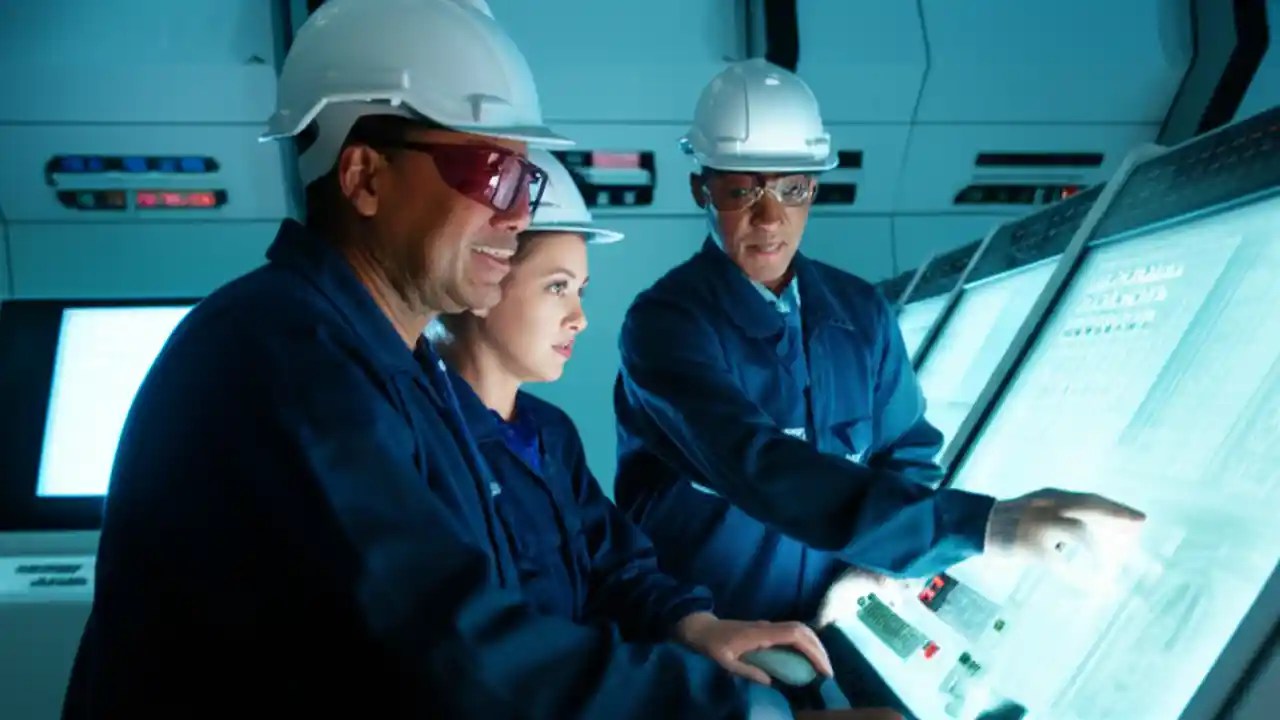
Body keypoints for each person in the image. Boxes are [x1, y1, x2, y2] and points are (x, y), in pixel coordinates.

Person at [58, 6, 836, 719]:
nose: (521, 211)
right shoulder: (281, 358)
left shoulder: (403, 374)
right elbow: (451, 645)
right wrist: (732, 710)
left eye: (524, 178)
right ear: (364, 175)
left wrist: (688, 625)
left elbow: (562, 577)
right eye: (490, 173)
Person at [613, 58, 1145, 629]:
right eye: (742, 190)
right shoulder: (665, 325)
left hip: (831, 628)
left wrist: (876, 571)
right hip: (702, 638)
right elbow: (760, 467)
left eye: (791, 188)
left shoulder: (858, 311)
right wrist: (983, 526)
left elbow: (907, 454)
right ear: (701, 188)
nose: (769, 218)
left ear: (813, 188)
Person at [430, 149, 832, 694]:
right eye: (557, 287)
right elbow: (493, 656)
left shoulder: (549, 434)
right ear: (484, 276)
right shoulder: (427, 442)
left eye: (580, 291)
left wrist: (699, 625)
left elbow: (614, 566)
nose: (579, 316)